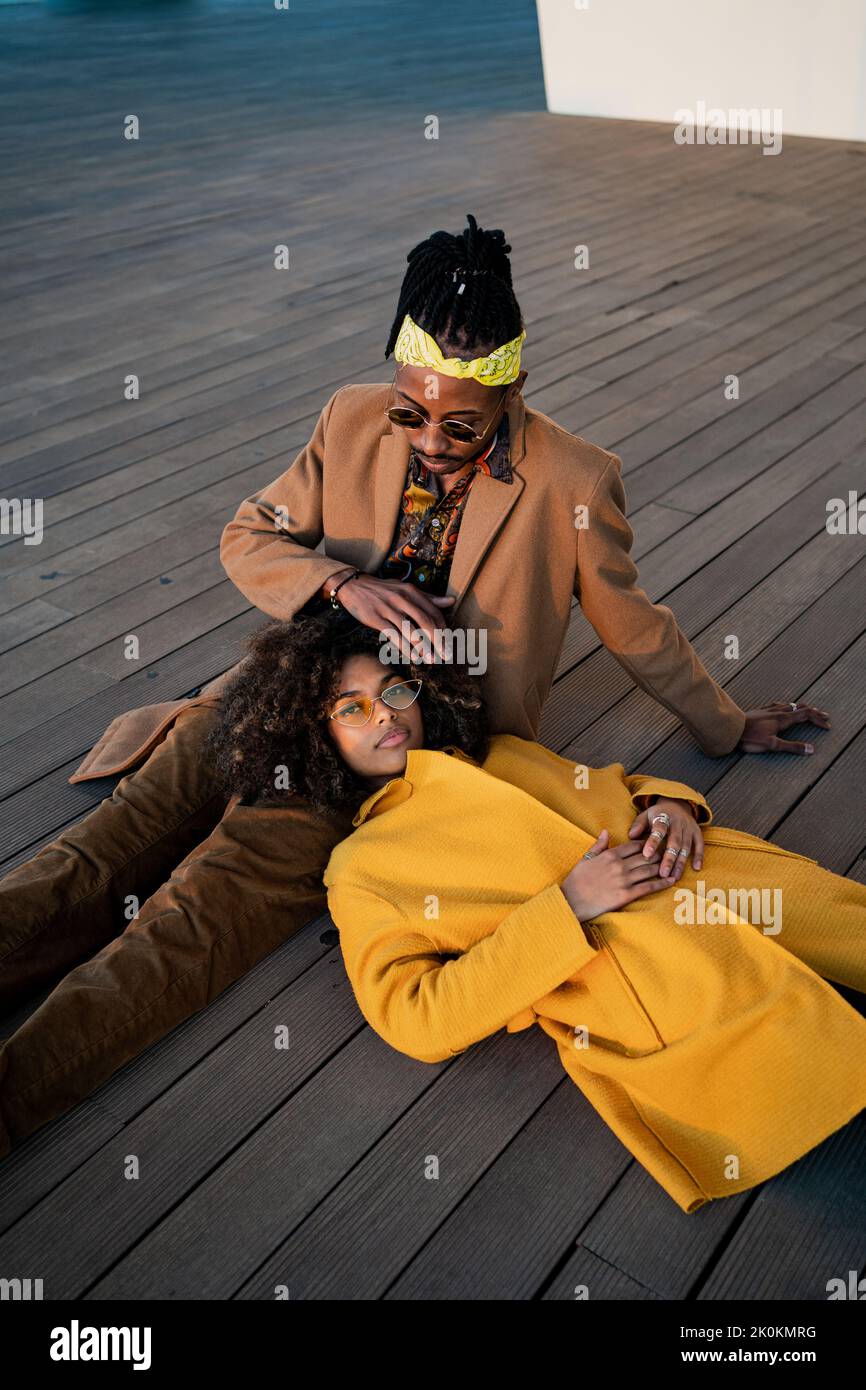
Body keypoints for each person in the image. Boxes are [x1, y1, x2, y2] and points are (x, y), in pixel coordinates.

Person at [0, 215, 830, 1157]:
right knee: (86, 866)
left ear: (512, 389)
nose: (431, 439)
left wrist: (721, 727)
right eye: (412, 413)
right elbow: (249, 535)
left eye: (462, 425)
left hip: (389, 757)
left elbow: (635, 626)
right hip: (274, 694)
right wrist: (341, 581)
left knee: (185, 929)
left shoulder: (574, 477)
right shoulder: (350, 418)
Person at [202, 614, 866, 1216]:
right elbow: (414, 1017)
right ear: (312, 738)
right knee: (807, 1070)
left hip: (713, 875)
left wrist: (671, 804)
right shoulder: (364, 867)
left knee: (841, 921)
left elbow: (616, 786)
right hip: (641, 966)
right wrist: (567, 909)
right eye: (352, 707)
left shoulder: (502, 754)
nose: (386, 714)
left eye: (396, 689)